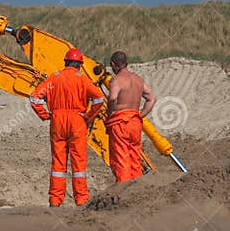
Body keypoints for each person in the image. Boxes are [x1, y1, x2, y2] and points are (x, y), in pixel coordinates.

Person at [29, 48, 106, 207]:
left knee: (58, 164)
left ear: (65, 62)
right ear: (80, 65)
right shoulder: (82, 79)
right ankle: (81, 200)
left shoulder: (54, 78)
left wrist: (46, 115)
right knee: (79, 164)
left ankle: (55, 200)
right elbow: (99, 99)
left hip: (57, 121)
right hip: (77, 121)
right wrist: (88, 116)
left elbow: (35, 98)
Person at [106, 51, 156, 182]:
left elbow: (112, 98)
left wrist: (111, 113)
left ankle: (123, 187)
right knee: (134, 156)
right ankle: (136, 188)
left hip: (120, 122)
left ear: (113, 64)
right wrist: (141, 115)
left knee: (121, 158)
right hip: (135, 122)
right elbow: (152, 98)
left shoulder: (116, 80)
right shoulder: (138, 79)